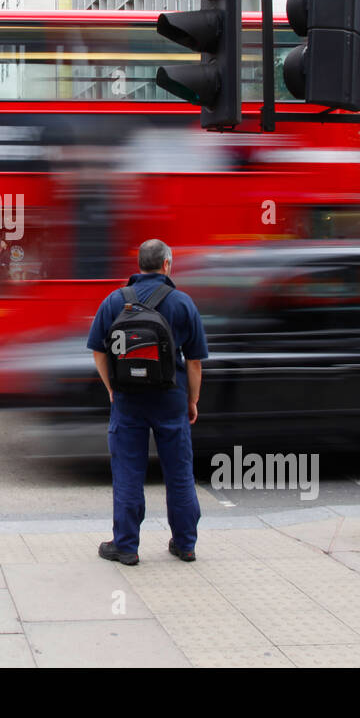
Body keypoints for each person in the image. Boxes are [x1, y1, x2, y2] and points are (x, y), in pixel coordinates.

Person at [86, 239, 208, 566]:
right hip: (171, 398)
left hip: (128, 398)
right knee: (179, 471)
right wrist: (192, 399)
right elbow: (194, 361)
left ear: (139, 265)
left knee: (128, 469)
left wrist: (112, 387)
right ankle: (185, 544)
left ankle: (126, 546)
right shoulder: (183, 303)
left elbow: (98, 349)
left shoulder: (114, 301)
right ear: (167, 264)